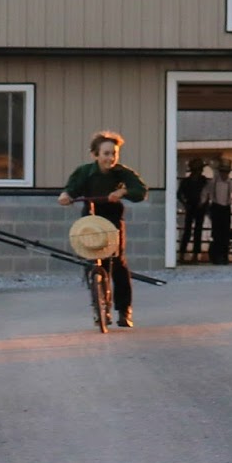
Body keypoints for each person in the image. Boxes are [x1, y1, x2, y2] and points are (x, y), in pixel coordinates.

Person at [58, 130, 148, 328]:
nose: (110, 158)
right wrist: (65, 196)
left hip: (113, 219)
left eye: (114, 153)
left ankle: (124, 310)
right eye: (106, 154)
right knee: (93, 263)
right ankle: (98, 307)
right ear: (95, 155)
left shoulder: (122, 172)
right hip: (90, 218)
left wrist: (123, 191)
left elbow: (141, 191)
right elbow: (71, 188)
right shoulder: (84, 172)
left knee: (117, 262)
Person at [177, 158, 211, 263]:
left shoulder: (202, 181)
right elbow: (179, 194)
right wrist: (185, 204)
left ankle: (194, 255)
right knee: (188, 231)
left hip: (198, 207)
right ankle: (183, 254)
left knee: (197, 231)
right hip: (191, 206)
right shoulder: (188, 181)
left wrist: (204, 203)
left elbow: (208, 194)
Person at [207, 159, 232, 265]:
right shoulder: (213, 182)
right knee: (216, 233)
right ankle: (216, 256)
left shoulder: (231, 183)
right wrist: (202, 202)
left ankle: (224, 256)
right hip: (216, 208)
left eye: (226, 172)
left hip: (226, 208)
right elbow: (206, 192)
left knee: (225, 233)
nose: (225, 174)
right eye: (223, 172)